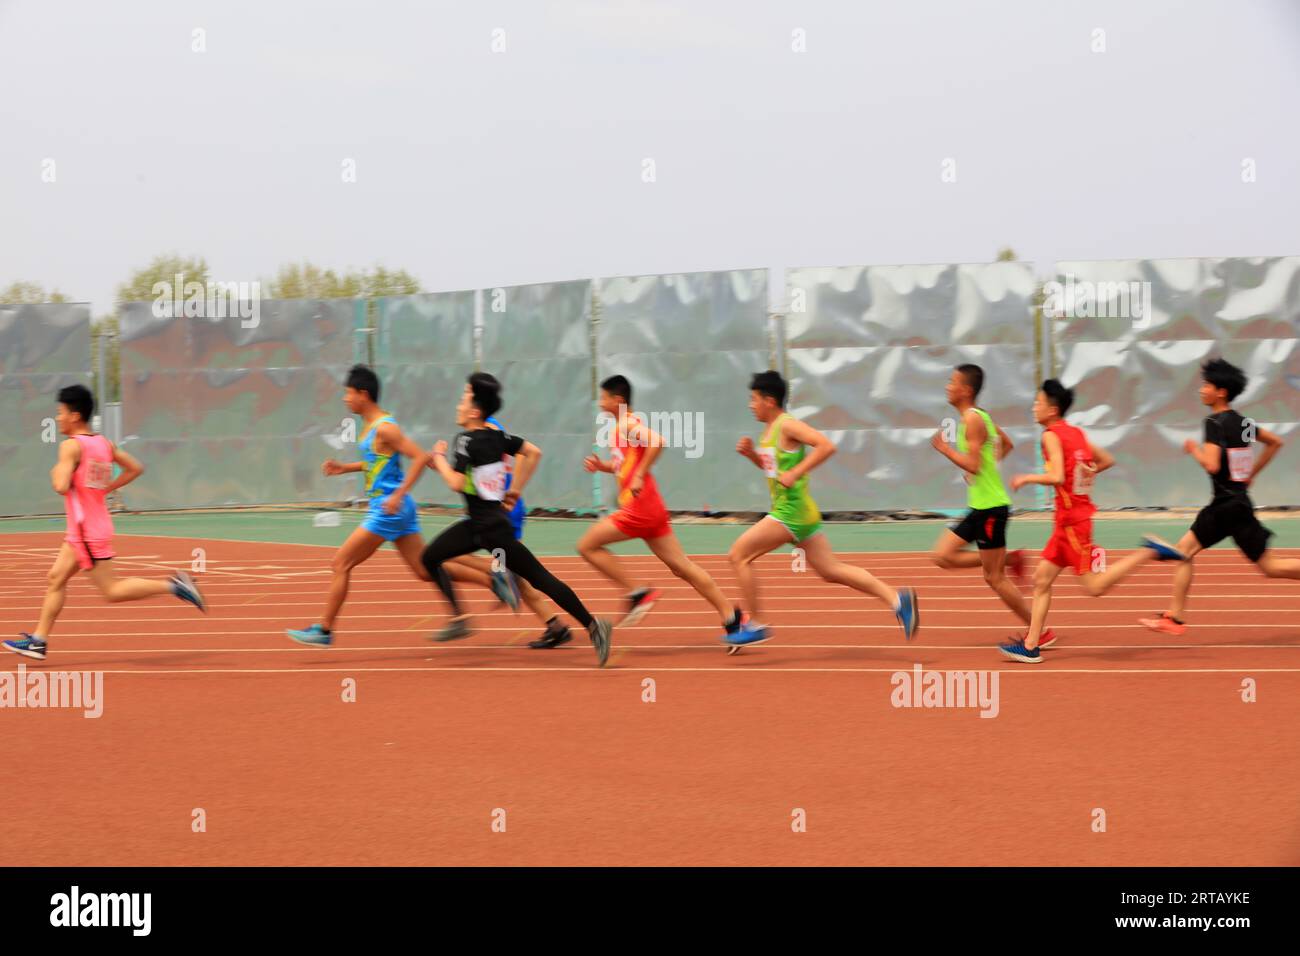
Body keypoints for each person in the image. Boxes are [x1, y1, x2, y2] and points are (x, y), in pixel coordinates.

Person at [287, 365, 516, 647]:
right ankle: (493, 581)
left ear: (364, 394)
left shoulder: (385, 427)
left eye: (348, 393)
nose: (345, 399)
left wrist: (398, 495)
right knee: (424, 570)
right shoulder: (371, 428)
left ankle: (324, 629)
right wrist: (344, 468)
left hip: (388, 509)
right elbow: (377, 463)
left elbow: (419, 457)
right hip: (395, 508)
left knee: (340, 563)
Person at [420, 373, 613, 666]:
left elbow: (457, 484)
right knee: (431, 556)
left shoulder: (464, 441)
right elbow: (532, 452)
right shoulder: (498, 438)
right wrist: (515, 489)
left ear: (474, 411)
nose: (458, 405)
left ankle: (594, 626)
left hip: (489, 530)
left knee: (541, 579)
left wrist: (437, 459)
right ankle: (460, 618)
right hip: (485, 525)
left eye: (463, 398)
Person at [4, 385, 205, 661]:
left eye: (60, 413)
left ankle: (175, 586)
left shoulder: (70, 446)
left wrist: (57, 471)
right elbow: (136, 467)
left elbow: (61, 485)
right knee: (56, 578)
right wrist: (106, 488)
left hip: (86, 530)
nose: (57, 419)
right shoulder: (103, 443)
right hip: (87, 527)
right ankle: (39, 640)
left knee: (111, 590)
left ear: (75, 415)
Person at [726, 370, 919, 650]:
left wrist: (798, 472)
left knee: (738, 555)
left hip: (790, 512)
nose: (749, 405)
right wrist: (752, 456)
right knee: (831, 570)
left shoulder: (787, 425)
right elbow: (776, 470)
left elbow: (826, 446)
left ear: (769, 400)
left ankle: (755, 623)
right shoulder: (768, 432)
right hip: (798, 512)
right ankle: (897, 600)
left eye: (753, 399)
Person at [997, 379, 1185, 663]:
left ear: (1053, 409)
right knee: (1041, 580)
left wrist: (1027, 478)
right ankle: (1032, 644)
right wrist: (1085, 476)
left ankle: (1150, 550)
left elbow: (1058, 476)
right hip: (1068, 521)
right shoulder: (1076, 433)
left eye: (1038, 403)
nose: (1034, 408)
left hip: (1073, 523)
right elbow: (1106, 460)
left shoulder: (1050, 436)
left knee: (1094, 587)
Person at [578, 375, 751, 640]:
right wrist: (602, 466)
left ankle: (638, 592)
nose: (600, 403)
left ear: (618, 400)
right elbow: (624, 464)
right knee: (682, 567)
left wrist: (639, 475)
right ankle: (732, 618)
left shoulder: (626, 424)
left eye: (603, 398)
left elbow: (657, 442)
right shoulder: (620, 427)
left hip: (639, 508)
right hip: (651, 507)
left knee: (587, 545)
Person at [1139, 357, 1300, 637]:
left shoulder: (1214, 422)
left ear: (1221, 392)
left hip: (1225, 505)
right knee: (1269, 567)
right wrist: (1253, 473)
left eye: (1206, 385)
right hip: (1237, 503)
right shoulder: (1243, 422)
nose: (1201, 390)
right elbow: (1276, 442)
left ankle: (1175, 618)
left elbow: (1212, 465)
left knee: (1185, 551)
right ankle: (1174, 616)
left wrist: (1194, 449)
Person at [929, 364, 1032, 628]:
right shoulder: (979, 416)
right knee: (942, 556)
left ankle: (1037, 631)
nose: (947, 386)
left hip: (991, 508)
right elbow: (1006, 444)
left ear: (965, 390)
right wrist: (986, 470)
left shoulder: (973, 420)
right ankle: (1010, 558)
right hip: (981, 506)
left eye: (952, 382)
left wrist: (945, 450)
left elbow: (973, 464)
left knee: (994, 578)